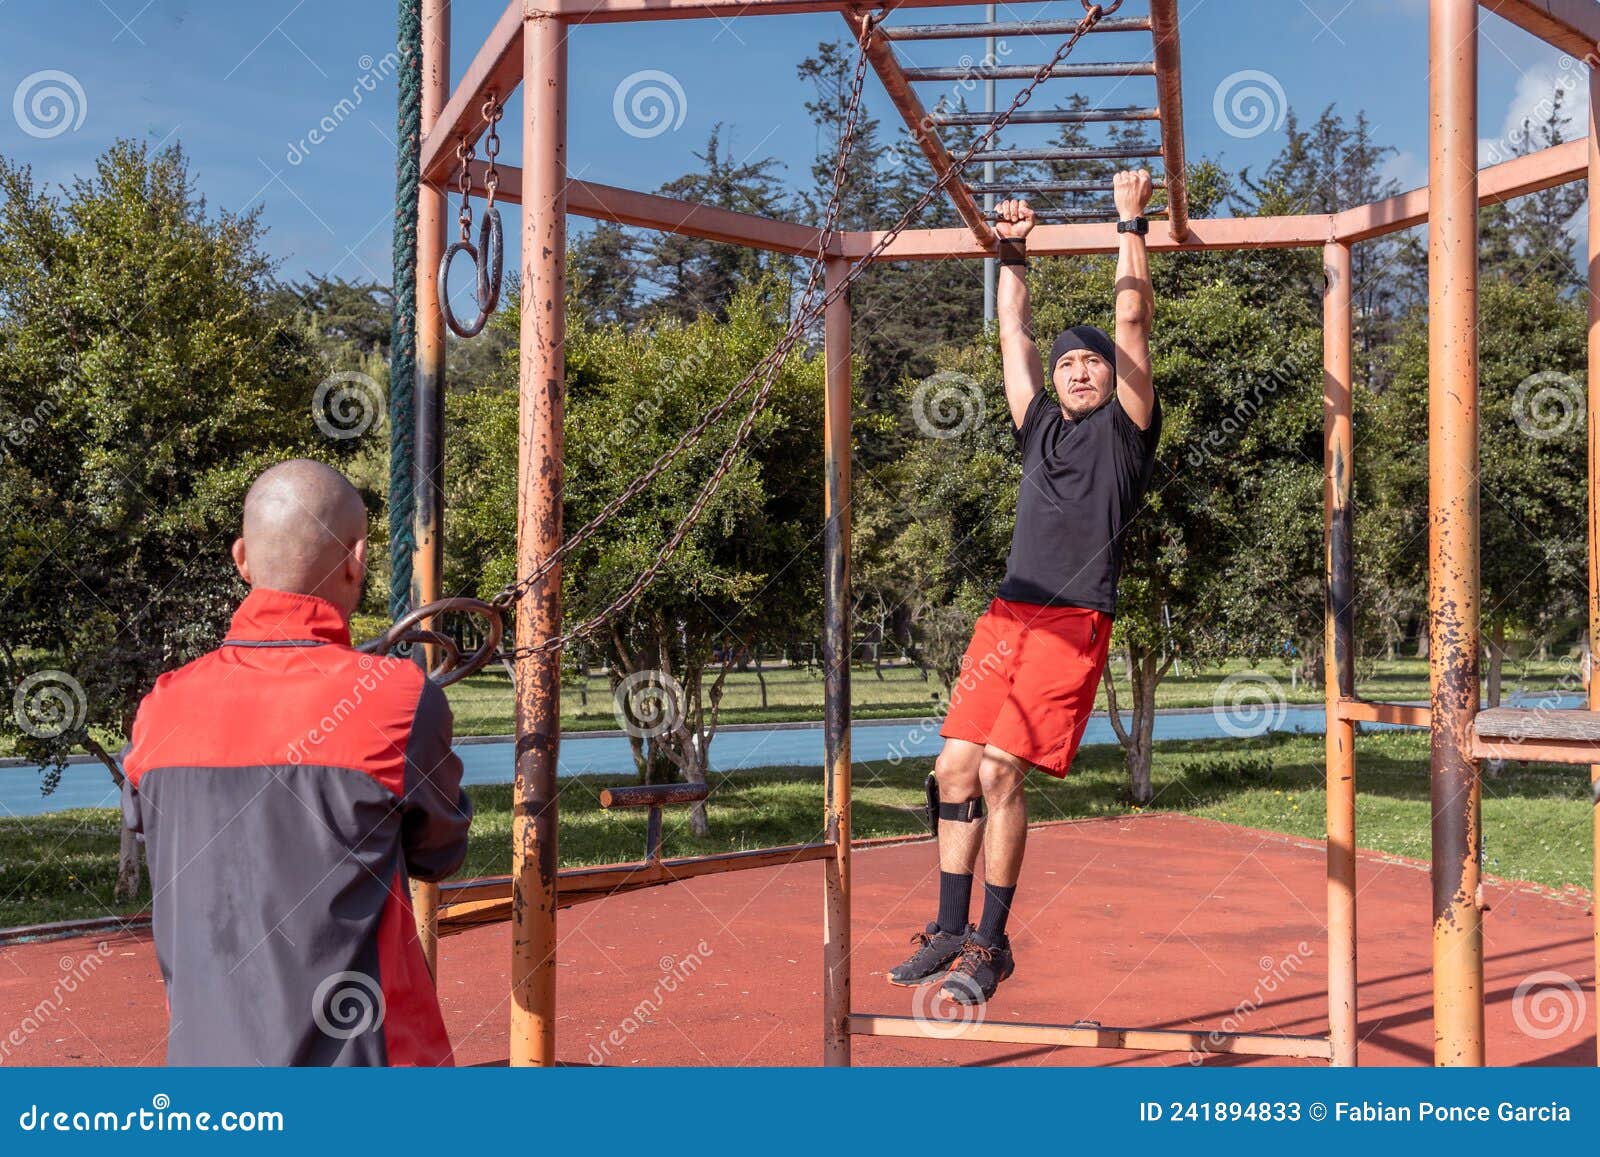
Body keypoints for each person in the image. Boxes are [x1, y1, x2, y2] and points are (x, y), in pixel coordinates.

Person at [889, 170, 1162, 1006]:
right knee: (955, 768)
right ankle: (946, 927)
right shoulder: (1038, 424)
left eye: (1094, 366)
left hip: (1071, 624)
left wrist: (1130, 222)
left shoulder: (1126, 433)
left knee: (1006, 767)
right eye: (1070, 363)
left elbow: (1131, 316)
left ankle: (990, 943)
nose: (1080, 373)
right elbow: (1012, 328)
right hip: (1007, 614)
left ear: (1113, 379)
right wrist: (1011, 245)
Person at [121, 459, 473, 1065]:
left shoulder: (162, 707)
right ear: (357, 558)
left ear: (242, 559)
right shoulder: (397, 699)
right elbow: (439, 855)